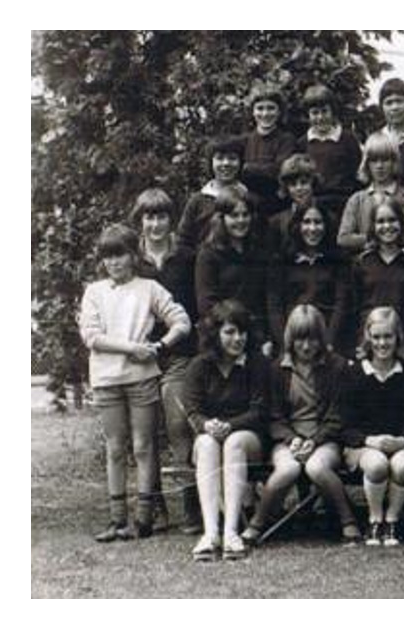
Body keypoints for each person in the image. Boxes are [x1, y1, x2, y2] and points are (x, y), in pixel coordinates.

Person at [80, 224, 191, 542]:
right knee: (116, 448)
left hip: (142, 379)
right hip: (106, 379)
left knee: (144, 446)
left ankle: (144, 518)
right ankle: (117, 519)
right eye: (108, 257)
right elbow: (91, 336)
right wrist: (133, 348)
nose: (114, 263)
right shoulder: (95, 292)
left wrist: (160, 347)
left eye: (121, 255)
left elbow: (181, 320)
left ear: (133, 255)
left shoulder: (149, 288)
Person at [242, 306, 361, 547]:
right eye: (300, 340)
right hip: (288, 438)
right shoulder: (278, 369)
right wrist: (291, 439)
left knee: (317, 467)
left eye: (313, 339)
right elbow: (273, 415)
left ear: (322, 338)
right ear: (290, 339)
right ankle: (257, 523)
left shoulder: (337, 367)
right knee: (287, 469)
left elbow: (337, 415)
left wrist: (315, 441)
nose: (306, 347)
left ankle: (348, 521)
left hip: (325, 437)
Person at [131, 189, 202, 534]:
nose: (155, 224)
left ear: (170, 220)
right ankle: (155, 506)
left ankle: (191, 506)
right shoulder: (131, 262)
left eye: (161, 216)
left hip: (180, 352)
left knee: (178, 427)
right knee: (144, 435)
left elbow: (198, 304)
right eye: (149, 217)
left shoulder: (186, 256)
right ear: (140, 220)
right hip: (140, 356)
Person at [183, 299, 269, 561]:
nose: (237, 338)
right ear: (215, 333)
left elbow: (259, 411)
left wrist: (230, 426)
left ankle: (232, 532)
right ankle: (210, 533)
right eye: (230, 332)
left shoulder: (257, 364)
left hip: (247, 436)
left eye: (242, 332)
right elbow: (192, 409)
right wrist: (206, 425)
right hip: (210, 435)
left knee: (233, 443)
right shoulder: (199, 366)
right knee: (208, 443)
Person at [339, 307, 404, 546]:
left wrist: (403, 441)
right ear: (368, 338)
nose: (382, 343)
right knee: (377, 464)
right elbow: (344, 425)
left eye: (388, 337)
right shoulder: (354, 373)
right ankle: (374, 519)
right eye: (376, 337)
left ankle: (392, 520)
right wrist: (369, 441)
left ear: (397, 338)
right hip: (363, 446)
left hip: (400, 444)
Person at [266, 201, 352, 357]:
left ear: (326, 226)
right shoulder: (282, 261)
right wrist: (286, 344)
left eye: (318, 222)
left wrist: (328, 342)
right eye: (306, 222)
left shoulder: (339, 261)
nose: (312, 229)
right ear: (297, 225)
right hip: (292, 339)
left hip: (327, 340)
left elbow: (341, 303)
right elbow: (274, 307)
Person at [194, 189, 270, 353]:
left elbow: (264, 300)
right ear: (222, 219)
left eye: (245, 214)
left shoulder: (258, 251)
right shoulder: (208, 254)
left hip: (255, 335)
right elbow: (207, 304)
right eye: (234, 215)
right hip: (220, 335)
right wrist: (233, 333)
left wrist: (264, 338)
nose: (241, 220)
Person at [350, 200, 404, 362]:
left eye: (392, 220)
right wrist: (356, 346)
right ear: (373, 227)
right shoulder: (362, 263)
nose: (387, 226)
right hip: (370, 342)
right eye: (380, 221)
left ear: (401, 223)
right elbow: (353, 310)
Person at [338, 134, 404, 255]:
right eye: (374, 160)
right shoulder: (357, 199)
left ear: (394, 162)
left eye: (385, 160)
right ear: (366, 164)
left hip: (398, 261)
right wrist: (376, 237)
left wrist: (370, 239)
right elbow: (343, 238)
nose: (379, 166)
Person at [177, 135, 255, 250]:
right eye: (220, 158)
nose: (226, 163)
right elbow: (183, 241)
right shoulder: (197, 201)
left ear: (240, 162)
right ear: (211, 162)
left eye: (232, 158)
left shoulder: (249, 196)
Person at [296, 84, 362, 218]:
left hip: (344, 204)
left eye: (324, 111)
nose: (320, 117)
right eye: (315, 112)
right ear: (308, 115)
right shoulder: (303, 143)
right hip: (313, 206)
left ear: (333, 112)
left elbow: (357, 173)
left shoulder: (347, 139)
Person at [241, 85, 296, 216]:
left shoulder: (286, 139)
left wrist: (249, 168)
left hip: (277, 205)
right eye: (260, 108)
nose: (265, 114)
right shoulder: (246, 140)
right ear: (252, 112)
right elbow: (238, 172)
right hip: (247, 205)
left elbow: (280, 171)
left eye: (271, 108)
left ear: (279, 111)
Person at [372, 77, 404, 196]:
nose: (394, 107)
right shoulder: (376, 140)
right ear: (382, 108)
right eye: (389, 103)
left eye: (399, 101)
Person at [265, 153, 321, 257]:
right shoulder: (276, 222)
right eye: (293, 184)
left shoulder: (328, 218)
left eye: (304, 182)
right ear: (286, 188)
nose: (299, 188)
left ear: (313, 183)